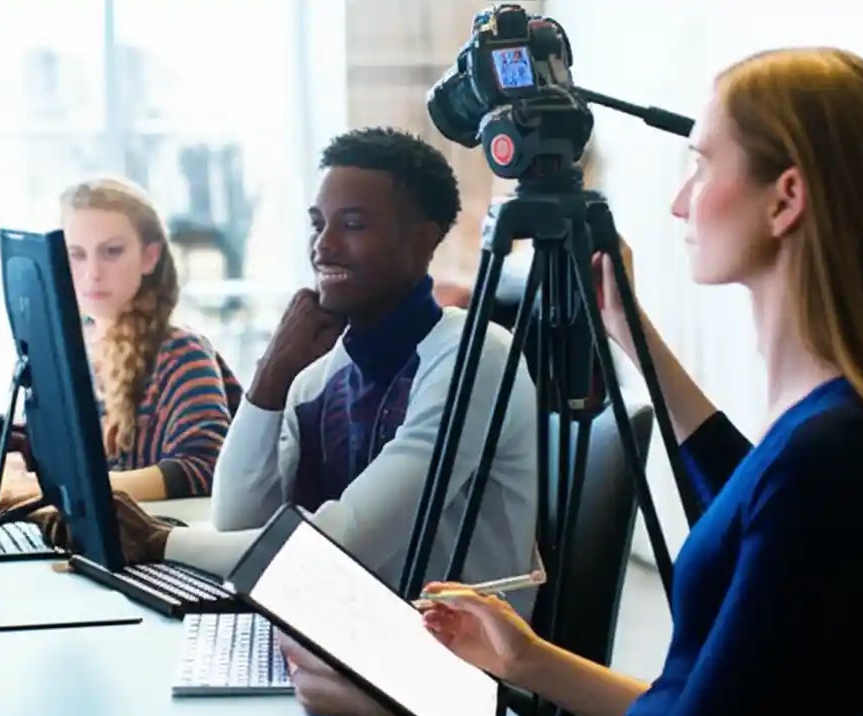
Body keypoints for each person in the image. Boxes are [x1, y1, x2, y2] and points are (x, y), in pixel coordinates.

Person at [293, 47, 863, 716]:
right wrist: (524, 660)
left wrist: (416, 712)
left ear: (785, 198)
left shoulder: (831, 454)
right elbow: (689, 694)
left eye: (700, 166)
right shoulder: (833, 429)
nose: (678, 203)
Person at [45, 127, 538, 601]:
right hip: (343, 632)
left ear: (423, 241)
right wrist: (270, 378)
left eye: (352, 225)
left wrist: (159, 542)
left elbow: (343, 545)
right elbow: (238, 517)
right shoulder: (323, 372)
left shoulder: (473, 357)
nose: (323, 246)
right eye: (318, 224)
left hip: (453, 662)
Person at [0, 176, 241, 502]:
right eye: (76, 254)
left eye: (111, 252)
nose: (93, 273)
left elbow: (205, 468)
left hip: (156, 545)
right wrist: (12, 460)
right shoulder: (72, 354)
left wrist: (44, 492)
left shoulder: (183, 354)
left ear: (149, 257)